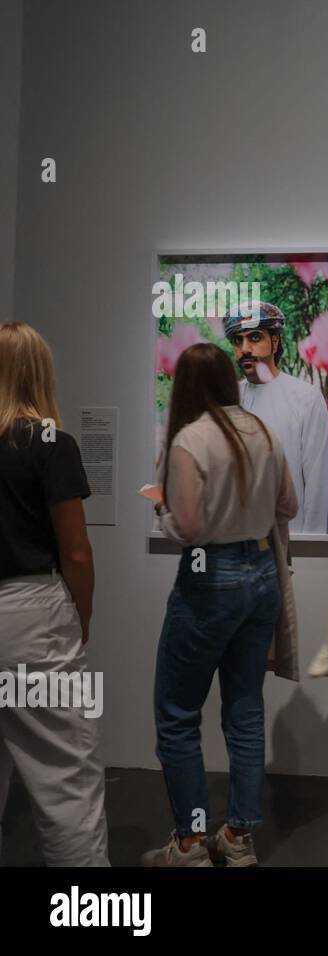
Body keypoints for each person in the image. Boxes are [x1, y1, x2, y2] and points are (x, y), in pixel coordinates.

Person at [142, 342, 298, 867]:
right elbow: (290, 505)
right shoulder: (263, 431)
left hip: (210, 577)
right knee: (246, 709)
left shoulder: (191, 438)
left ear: (186, 386)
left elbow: (187, 528)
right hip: (260, 574)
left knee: (178, 712)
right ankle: (238, 837)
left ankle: (188, 843)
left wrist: (161, 504)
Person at [0, 322, 110, 866]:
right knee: (67, 777)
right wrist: (81, 613)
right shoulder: (50, 443)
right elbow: (78, 552)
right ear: (40, 372)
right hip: (31, 616)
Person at [224, 301, 328, 534]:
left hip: (288, 541)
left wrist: (313, 547)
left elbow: (317, 484)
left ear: (274, 341)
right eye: (237, 341)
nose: (245, 349)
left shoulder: (306, 398)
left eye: (254, 338)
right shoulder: (230, 399)